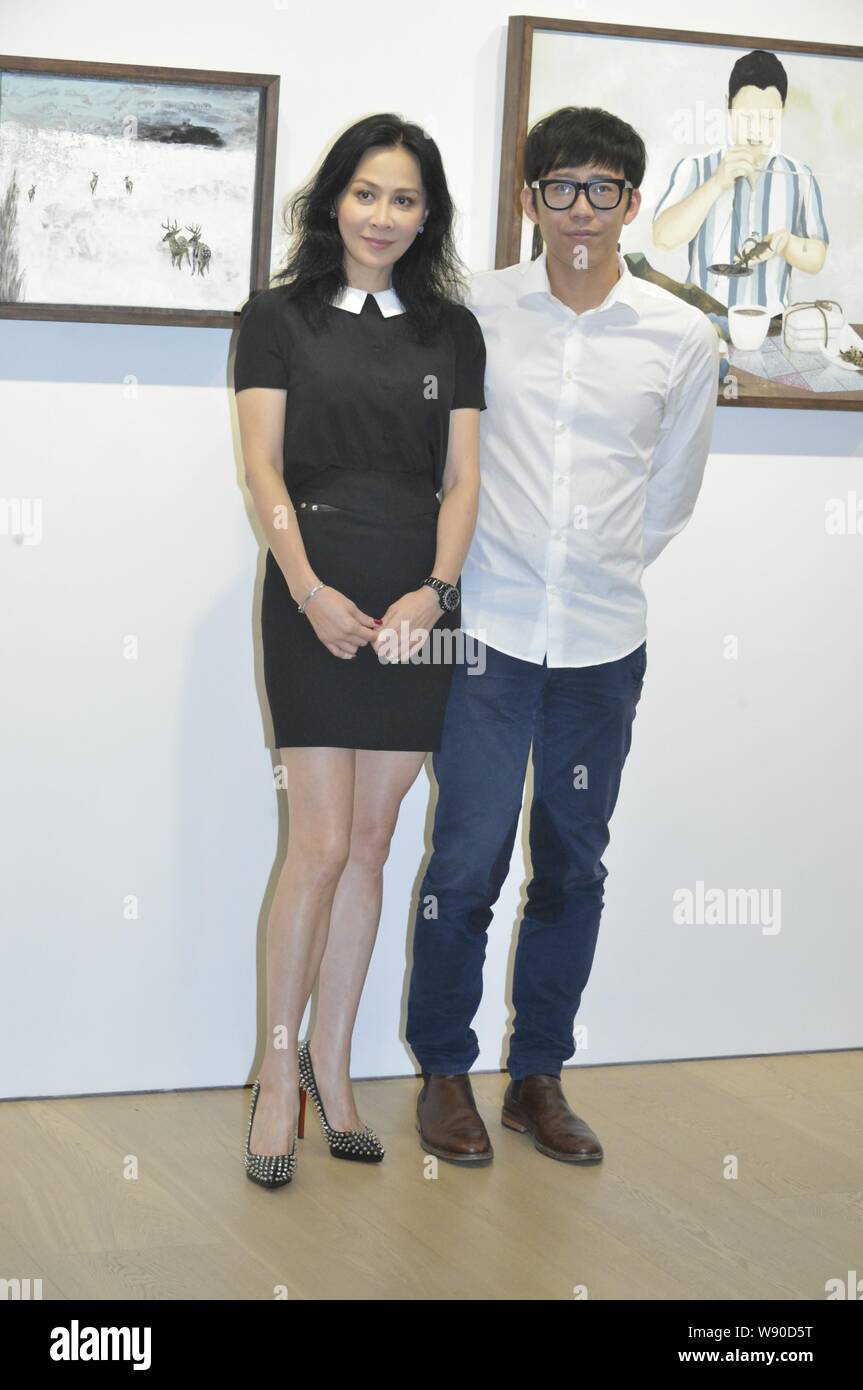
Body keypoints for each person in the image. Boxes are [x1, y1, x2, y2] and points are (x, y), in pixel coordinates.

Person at [406, 105, 720, 1166]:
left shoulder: (680, 336)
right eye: (558, 187)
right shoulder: (476, 309)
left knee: (573, 868)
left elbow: (668, 497)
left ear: (631, 203)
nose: (578, 210)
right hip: (485, 635)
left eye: (601, 189)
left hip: (599, 647)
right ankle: (443, 1070)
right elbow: (442, 457)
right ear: (527, 199)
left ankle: (536, 1076)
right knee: (466, 856)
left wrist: (592, 572)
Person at [234, 113, 485, 1188]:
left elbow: (463, 480)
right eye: (367, 193)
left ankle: (336, 1070)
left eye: (405, 199)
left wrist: (433, 593)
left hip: (419, 609)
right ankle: (276, 1074)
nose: (383, 215)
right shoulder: (275, 317)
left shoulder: (451, 330)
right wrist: (307, 591)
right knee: (320, 844)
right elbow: (262, 475)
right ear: (333, 198)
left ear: (427, 216)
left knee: (374, 847)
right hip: (314, 589)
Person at [652, 49, 828, 318]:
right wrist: (716, 183)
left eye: (769, 118)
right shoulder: (696, 168)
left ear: (783, 112)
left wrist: (786, 244)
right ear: (728, 106)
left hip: (771, 326)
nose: (757, 130)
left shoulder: (800, 176)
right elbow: (662, 239)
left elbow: (817, 257)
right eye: (746, 116)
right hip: (704, 323)